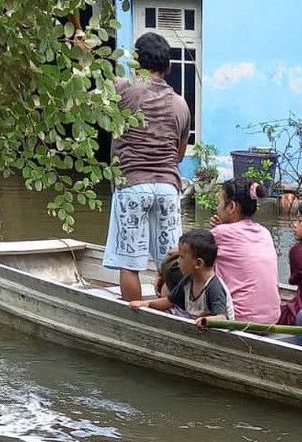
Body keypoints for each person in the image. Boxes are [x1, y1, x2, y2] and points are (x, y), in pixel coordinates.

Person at [102, 32, 191, 302]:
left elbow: (88, 93)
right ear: (169, 67)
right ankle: (170, 314)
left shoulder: (122, 88)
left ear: (135, 62)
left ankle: (135, 316)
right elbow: (180, 153)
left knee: (130, 263)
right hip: (168, 187)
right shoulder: (181, 104)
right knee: (172, 262)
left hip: (132, 185)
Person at [209, 178, 281, 324]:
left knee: (188, 263)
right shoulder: (264, 232)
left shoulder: (221, 233)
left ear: (231, 207)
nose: (217, 208)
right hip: (272, 317)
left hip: (240, 318)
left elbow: (188, 250)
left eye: (219, 203)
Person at [129, 229, 234, 323]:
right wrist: (147, 304)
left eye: (181, 257)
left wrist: (206, 321)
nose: (178, 262)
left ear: (198, 263)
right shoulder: (188, 281)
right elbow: (169, 301)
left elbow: (222, 318)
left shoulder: (214, 287)